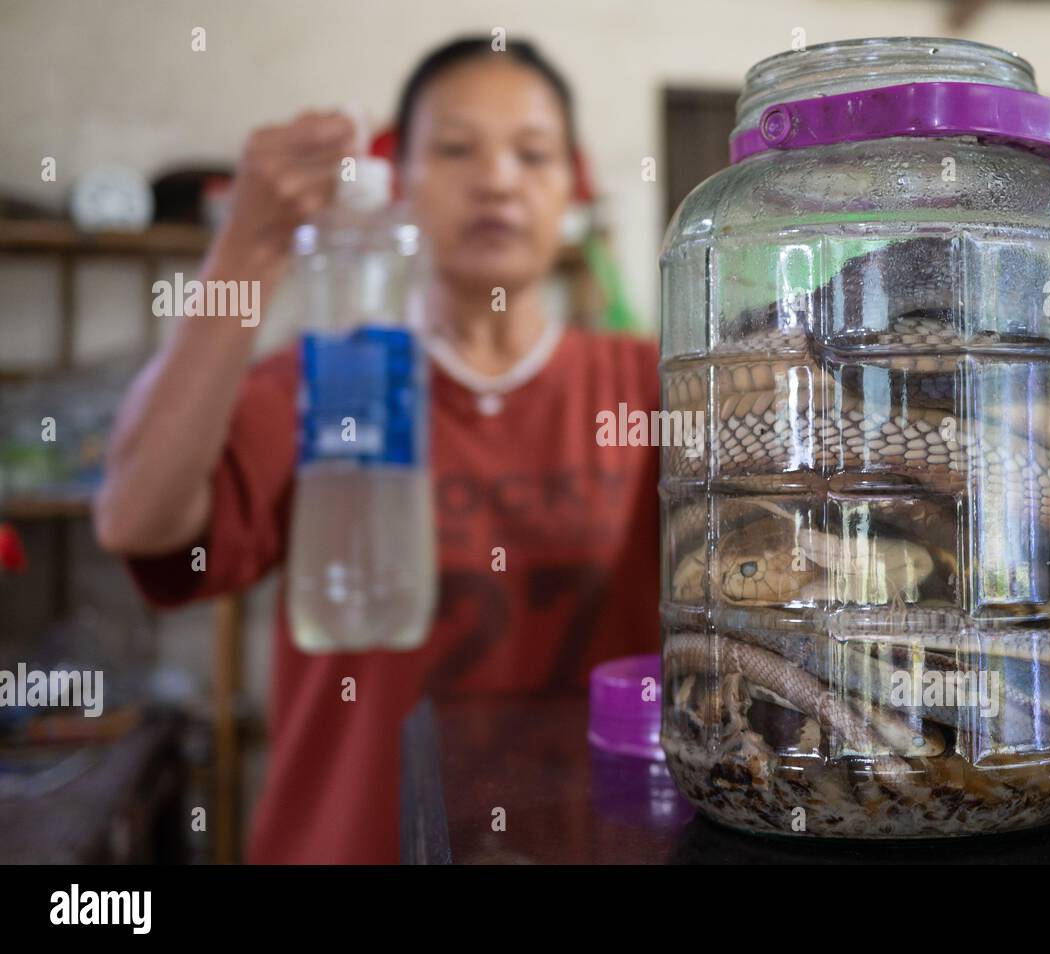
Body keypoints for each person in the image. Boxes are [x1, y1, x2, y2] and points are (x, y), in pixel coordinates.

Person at [94, 37, 660, 864]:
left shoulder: (649, 387)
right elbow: (138, 519)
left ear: (571, 186)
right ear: (400, 176)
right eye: (457, 148)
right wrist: (250, 246)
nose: (497, 178)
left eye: (532, 153)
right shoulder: (328, 377)